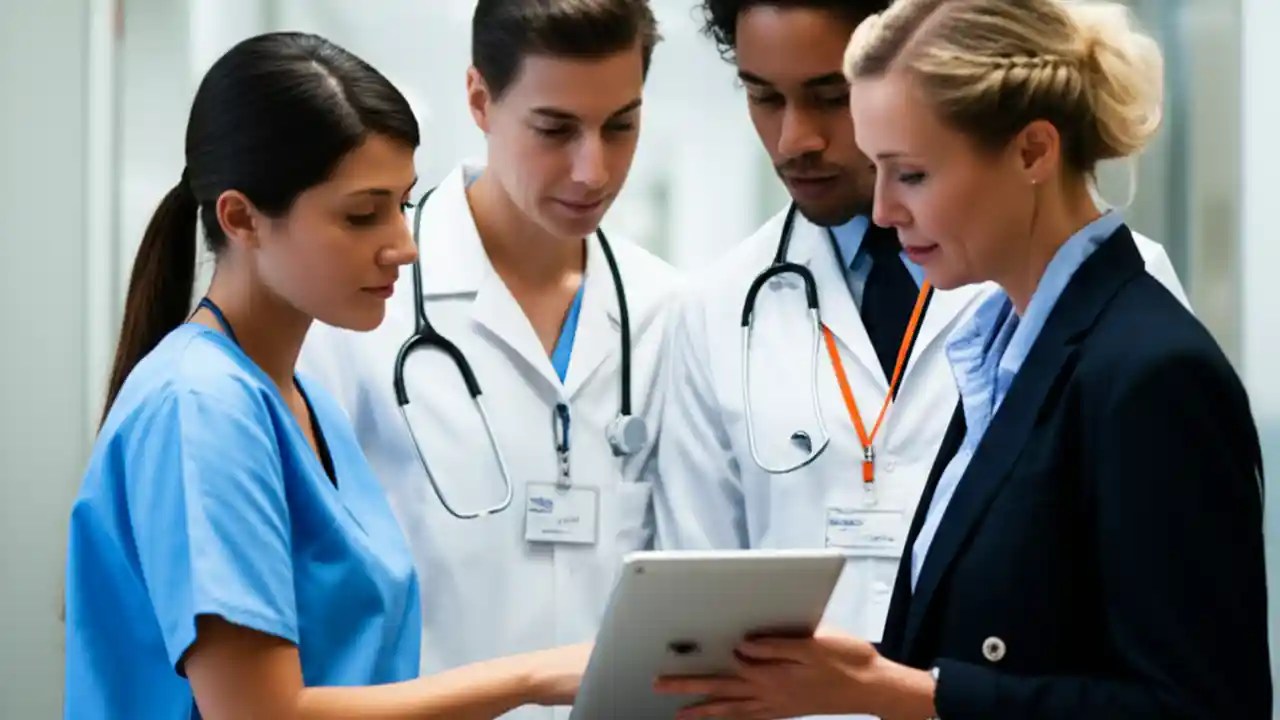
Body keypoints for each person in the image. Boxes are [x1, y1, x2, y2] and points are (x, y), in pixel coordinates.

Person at [655, 1, 1272, 718]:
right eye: (879, 171)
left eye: (911, 175)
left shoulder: (1150, 369)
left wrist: (902, 693)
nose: (882, 211)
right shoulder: (998, 351)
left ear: (1033, 152)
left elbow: (1199, 704)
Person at [64, 31, 592, 720]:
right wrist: (529, 676)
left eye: (403, 205)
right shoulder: (199, 408)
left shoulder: (297, 400)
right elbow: (263, 713)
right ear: (242, 218)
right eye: (362, 214)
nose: (403, 246)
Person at [296, 3, 679, 716]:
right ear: (479, 99)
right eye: (555, 129)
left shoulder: (666, 310)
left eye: (620, 126)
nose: (593, 169)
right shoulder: (357, 304)